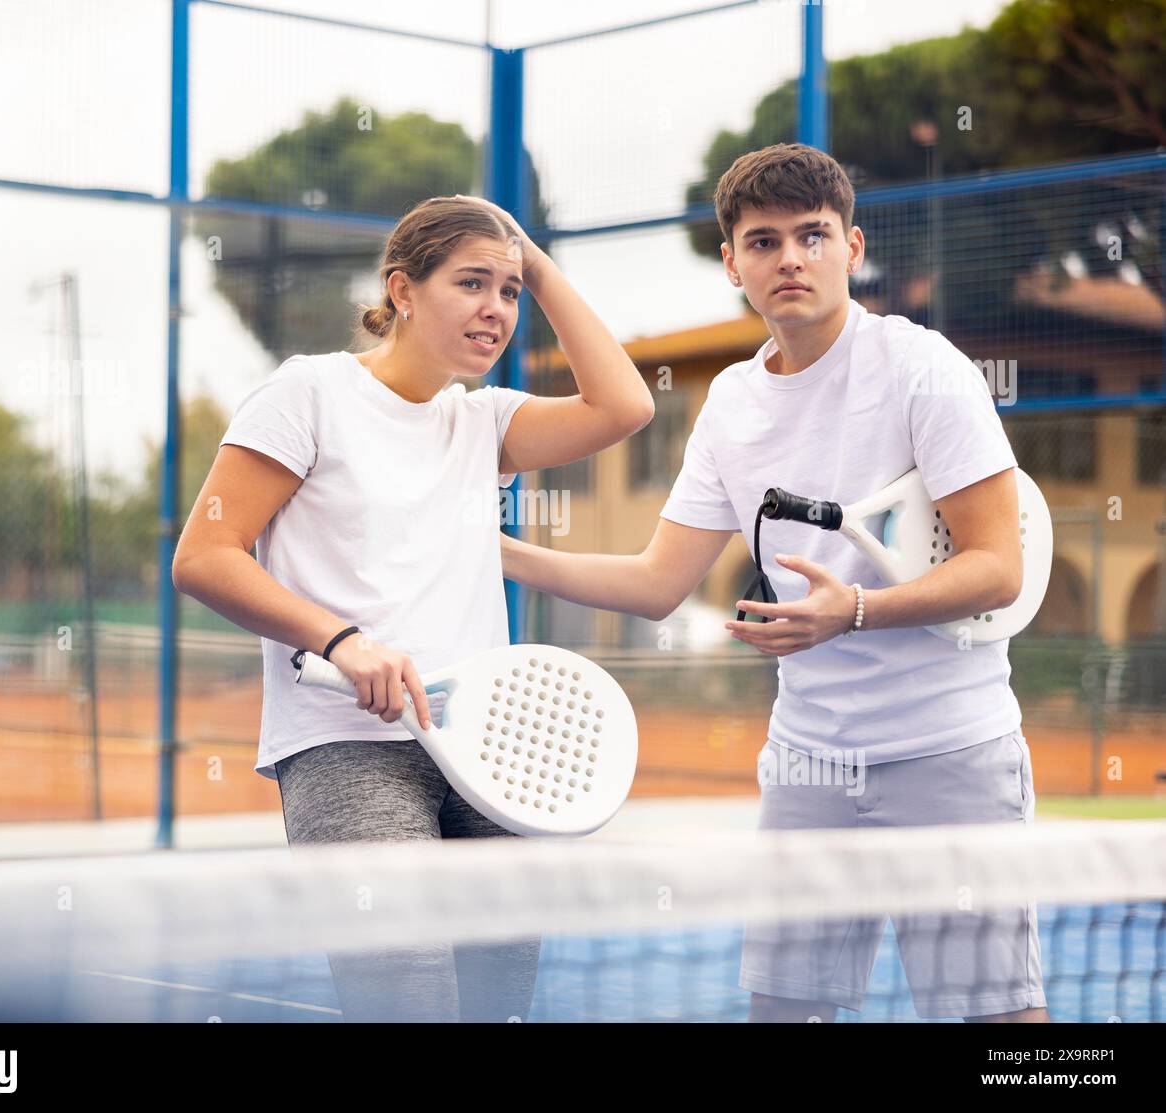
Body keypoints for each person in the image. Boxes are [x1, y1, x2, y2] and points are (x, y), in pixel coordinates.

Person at [500, 144, 1048, 1023]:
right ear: (732, 263)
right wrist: (496, 550)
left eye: (812, 235)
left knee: (995, 1024)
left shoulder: (923, 367)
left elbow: (997, 567)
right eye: (762, 242)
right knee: (785, 1014)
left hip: (949, 753)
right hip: (809, 765)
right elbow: (654, 580)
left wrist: (855, 611)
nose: (789, 257)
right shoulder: (728, 403)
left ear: (851, 246)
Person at [172, 194, 654, 1021]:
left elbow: (626, 407)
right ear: (401, 289)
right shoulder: (308, 393)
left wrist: (532, 261)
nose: (495, 310)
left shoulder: (484, 419)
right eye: (471, 283)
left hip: (493, 751)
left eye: (508, 292)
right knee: (409, 1002)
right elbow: (205, 557)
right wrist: (343, 642)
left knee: (497, 1005)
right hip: (347, 747)